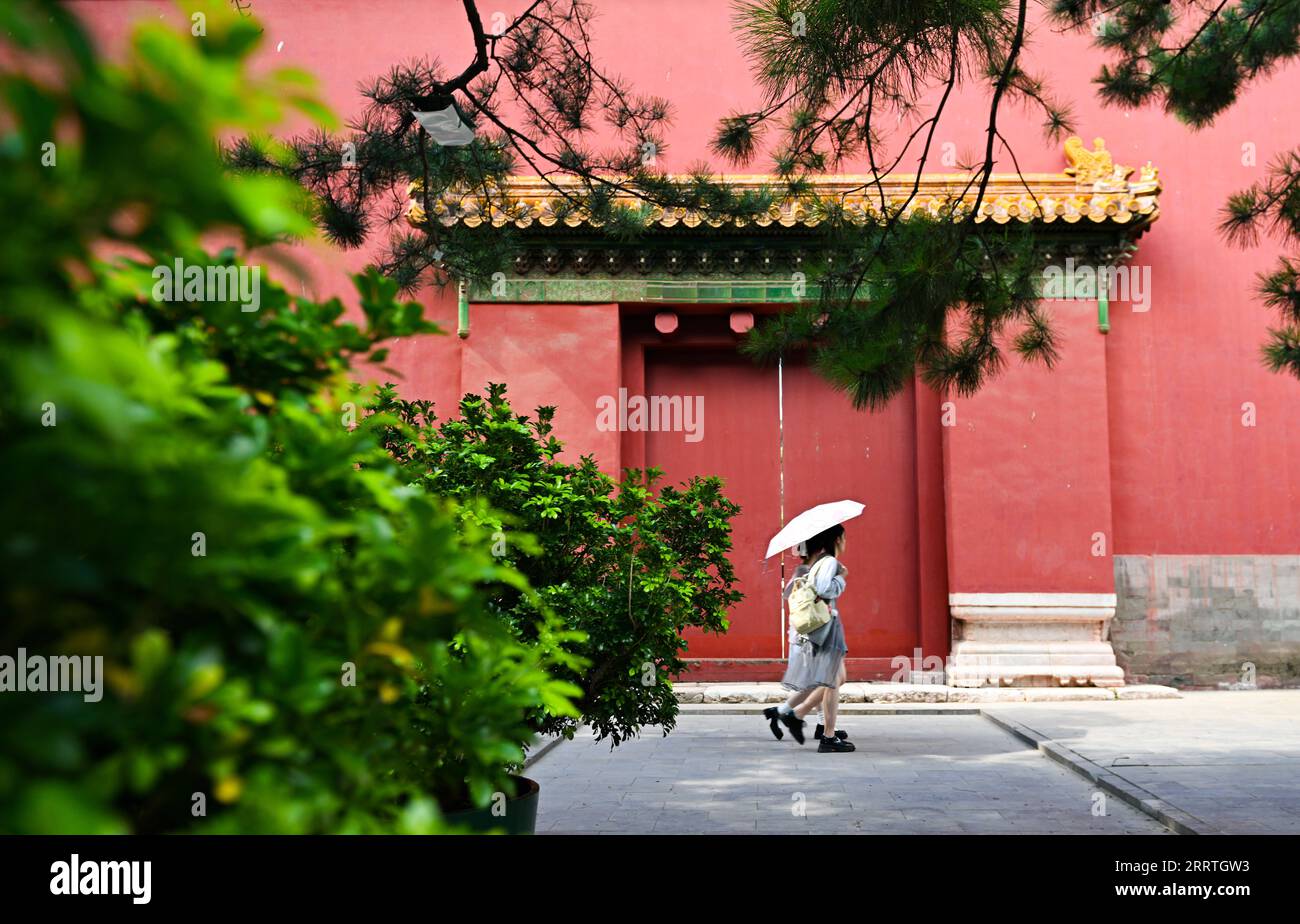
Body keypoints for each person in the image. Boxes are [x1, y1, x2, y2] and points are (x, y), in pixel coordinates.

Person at [765, 524, 854, 752]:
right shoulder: (829, 563)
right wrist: (841, 579)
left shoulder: (817, 564)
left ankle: (802, 718)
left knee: (834, 679)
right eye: (842, 537)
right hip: (825, 627)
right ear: (835, 539)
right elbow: (825, 589)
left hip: (821, 627)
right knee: (831, 680)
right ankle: (821, 731)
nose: (845, 541)